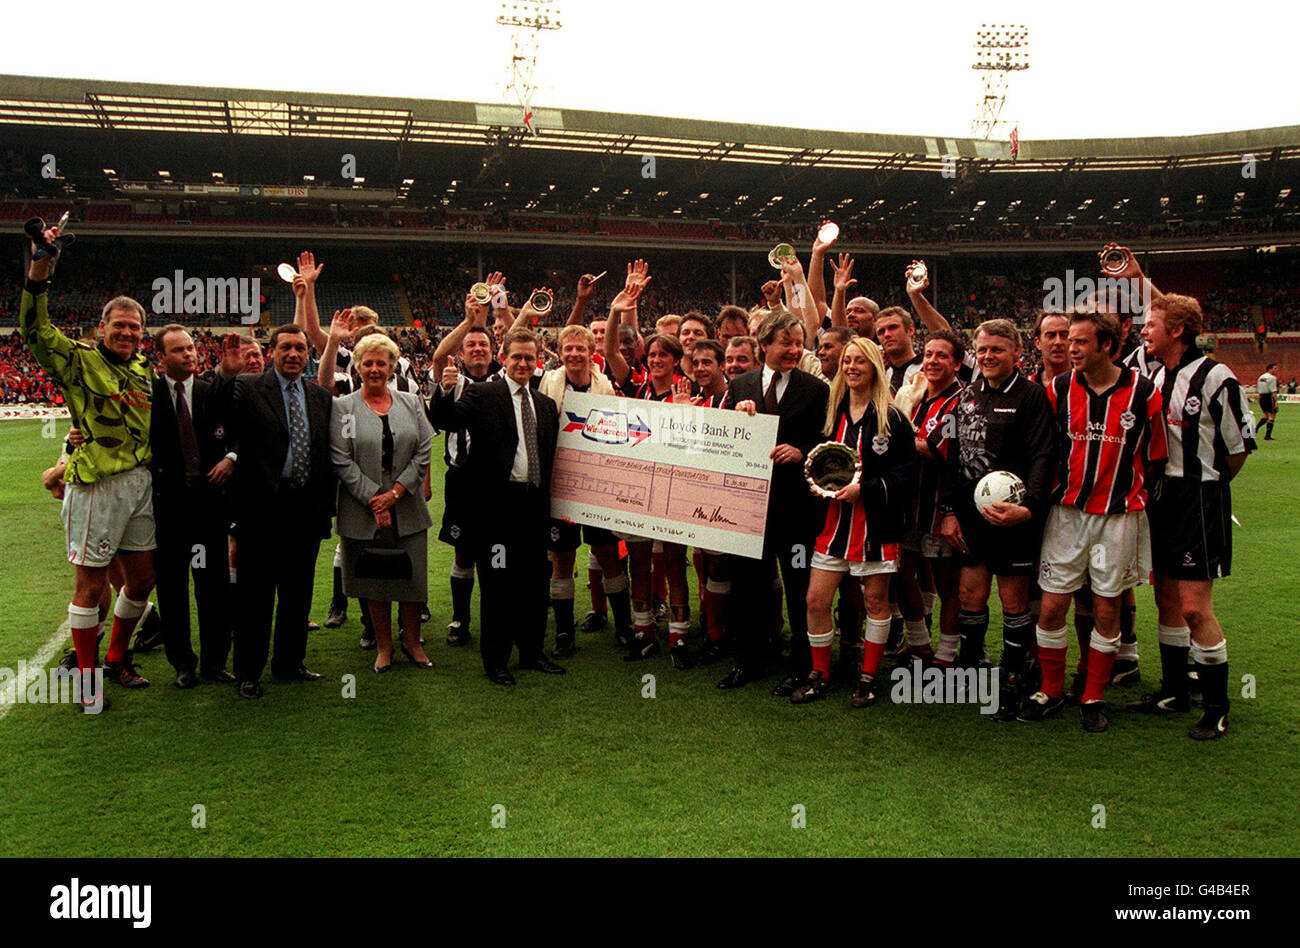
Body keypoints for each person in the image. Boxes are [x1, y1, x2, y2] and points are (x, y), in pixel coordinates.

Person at [19, 224, 156, 708]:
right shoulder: (77, 361)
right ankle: (85, 674)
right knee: (91, 584)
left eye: (134, 328)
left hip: (141, 484)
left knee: (141, 579)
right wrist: (41, 266)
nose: (126, 333)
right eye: (118, 326)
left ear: (143, 334)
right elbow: (34, 330)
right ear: (102, 328)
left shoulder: (144, 371)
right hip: (97, 485)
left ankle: (117, 658)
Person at [1018, 311, 1166, 732]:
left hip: (1118, 518)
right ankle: (1050, 689)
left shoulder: (1144, 392)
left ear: (1106, 345)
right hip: (1066, 515)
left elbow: (1156, 457)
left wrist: (1122, 491)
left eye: (1080, 341)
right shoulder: (1058, 390)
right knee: (1051, 606)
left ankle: (1093, 695)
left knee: (1106, 609)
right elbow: (1044, 450)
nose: (1070, 348)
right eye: (1067, 340)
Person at [1130, 294, 1254, 739]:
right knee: (1165, 600)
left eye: (1151, 324)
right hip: (1160, 497)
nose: (1144, 330)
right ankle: (1175, 690)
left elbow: (1237, 449)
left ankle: (1217, 706)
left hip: (1199, 499)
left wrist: (1209, 489)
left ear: (1177, 331)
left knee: (1193, 608)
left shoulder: (1216, 376)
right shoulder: (1154, 372)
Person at [937, 318, 1057, 720]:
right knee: (970, 595)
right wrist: (950, 510)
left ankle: (1013, 677)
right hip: (971, 517)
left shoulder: (1031, 396)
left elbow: (1043, 455)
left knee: (1013, 600)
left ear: (1017, 353)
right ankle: (972, 668)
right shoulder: (967, 395)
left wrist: (1029, 507)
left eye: (997, 350)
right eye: (983, 349)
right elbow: (953, 458)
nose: (988, 356)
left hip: (1012, 517)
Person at [431, 328, 564, 685]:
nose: (523, 363)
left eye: (529, 357)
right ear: (502, 358)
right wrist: (444, 389)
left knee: (535, 583)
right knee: (498, 585)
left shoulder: (546, 406)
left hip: (533, 507)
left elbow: (551, 461)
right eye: (516, 356)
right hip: (496, 512)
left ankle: (532, 652)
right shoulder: (482, 393)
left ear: (537, 361)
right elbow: (445, 421)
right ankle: (496, 660)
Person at [793, 338, 916, 705]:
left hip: (874, 526)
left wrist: (867, 489)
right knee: (815, 600)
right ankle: (820, 674)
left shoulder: (892, 418)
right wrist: (819, 484)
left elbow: (906, 474)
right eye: (847, 361)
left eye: (860, 361)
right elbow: (818, 460)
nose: (851, 367)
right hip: (832, 526)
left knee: (876, 602)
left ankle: (867, 677)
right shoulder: (832, 413)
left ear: (875, 366)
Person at [218, 325, 336, 698]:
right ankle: (249, 672)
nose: (293, 354)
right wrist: (227, 373)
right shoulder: (249, 388)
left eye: (300, 348)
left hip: (305, 506)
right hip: (262, 507)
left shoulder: (319, 396)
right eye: (285, 347)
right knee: (256, 593)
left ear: (307, 354)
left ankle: (289, 663)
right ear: (272, 352)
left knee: (297, 591)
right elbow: (220, 415)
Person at [720, 310, 829, 693]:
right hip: (750, 510)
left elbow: (828, 443)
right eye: (787, 343)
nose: (795, 350)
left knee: (799, 587)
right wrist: (736, 417)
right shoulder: (739, 386)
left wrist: (802, 451)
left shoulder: (817, 390)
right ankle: (748, 661)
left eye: (799, 343)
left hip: (797, 512)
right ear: (764, 344)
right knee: (748, 587)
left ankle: (801, 665)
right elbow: (724, 443)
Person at [330, 326, 434, 674]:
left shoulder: (410, 402)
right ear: (357, 366)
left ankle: (413, 643)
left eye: (382, 363)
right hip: (363, 510)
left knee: (412, 577)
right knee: (374, 580)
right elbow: (341, 458)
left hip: (407, 506)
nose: (375, 369)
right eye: (367, 363)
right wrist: (375, 498)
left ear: (392, 367)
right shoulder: (344, 408)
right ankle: (384, 646)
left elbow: (423, 450)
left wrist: (395, 494)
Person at [604, 284, 695, 667]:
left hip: (674, 493)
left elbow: (696, 448)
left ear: (676, 360)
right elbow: (610, 352)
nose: (656, 359)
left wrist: (686, 411)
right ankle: (644, 632)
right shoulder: (637, 388)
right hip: (640, 491)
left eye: (664, 355)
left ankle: (679, 636)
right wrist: (616, 312)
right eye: (652, 354)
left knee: (674, 564)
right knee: (639, 562)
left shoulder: (688, 393)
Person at [149, 324, 236, 689]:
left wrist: (231, 457)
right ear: (161, 358)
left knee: (212, 585)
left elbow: (239, 428)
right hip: (167, 508)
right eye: (179, 350)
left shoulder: (208, 391)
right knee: (172, 588)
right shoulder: (148, 394)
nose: (189, 354)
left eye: (191, 348)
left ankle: (215, 663)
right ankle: (182, 662)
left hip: (207, 508)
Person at [538, 324, 633, 656]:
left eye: (580, 348)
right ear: (560, 352)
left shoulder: (606, 388)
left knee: (609, 556)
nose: (574, 354)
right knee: (562, 560)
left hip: (598, 486)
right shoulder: (546, 386)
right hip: (559, 485)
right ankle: (565, 633)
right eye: (568, 348)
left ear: (591, 353)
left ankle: (624, 626)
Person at [427, 295, 501, 646]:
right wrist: (469, 321)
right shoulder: (451, 378)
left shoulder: (503, 378)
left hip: (498, 483)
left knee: (498, 552)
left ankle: (495, 616)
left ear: (492, 350)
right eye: (471, 344)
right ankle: (460, 618)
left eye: (482, 344)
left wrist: (492, 314)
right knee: (463, 550)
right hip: (461, 480)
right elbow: (440, 355)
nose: (476, 349)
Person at [900, 331, 966, 668]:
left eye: (941, 356)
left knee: (947, 583)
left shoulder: (959, 402)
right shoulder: (919, 396)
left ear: (956, 363)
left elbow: (935, 449)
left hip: (940, 506)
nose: (932, 361)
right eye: (928, 354)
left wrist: (896, 433)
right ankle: (919, 644)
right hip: (909, 505)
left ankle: (946, 654)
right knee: (901, 573)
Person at [1257, 363, 1279, 440]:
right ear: (1270, 369)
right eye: (1275, 368)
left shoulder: (1261, 377)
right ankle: (1267, 435)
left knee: (1266, 416)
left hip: (1262, 396)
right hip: (1269, 397)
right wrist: (1276, 401)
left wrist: (1259, 399)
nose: (1277, 370)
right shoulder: (1272, 378)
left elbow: (1259, 389)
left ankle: (1255, 429)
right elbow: (1273, 391)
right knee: (1272, 416)